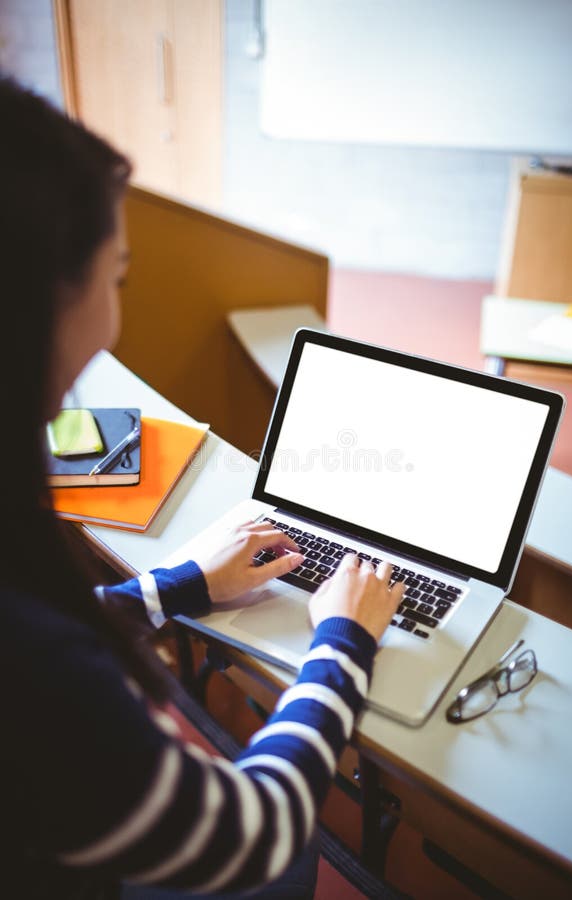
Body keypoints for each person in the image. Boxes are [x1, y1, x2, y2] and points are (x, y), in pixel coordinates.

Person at [0, 75, 404, 900]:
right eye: (116, 277)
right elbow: (255, 832)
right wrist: (342, 645)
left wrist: (176, 585)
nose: (115, 320)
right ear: (39, 308)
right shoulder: (45, 679)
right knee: (291, 868)